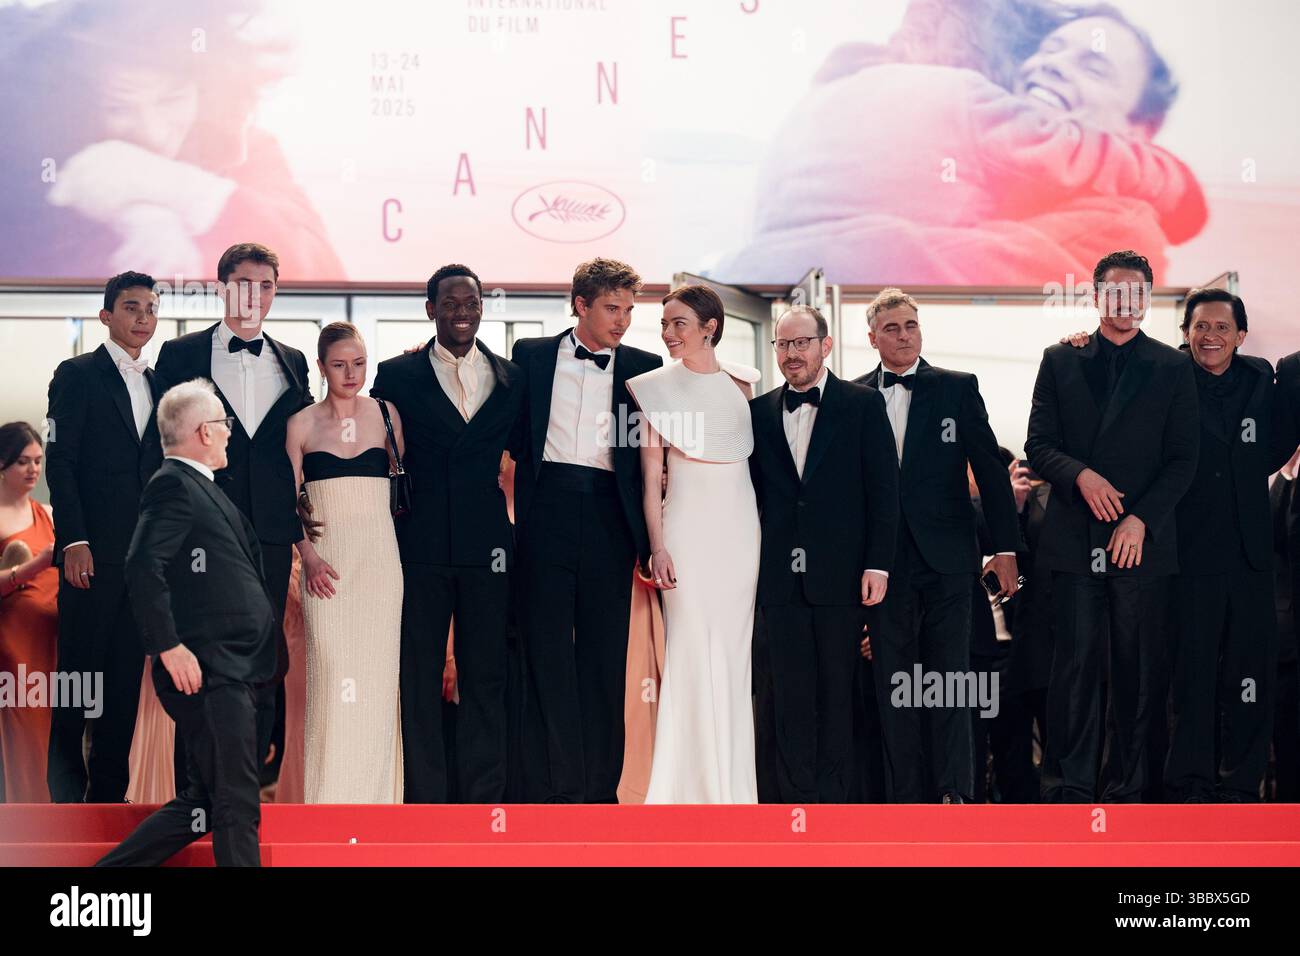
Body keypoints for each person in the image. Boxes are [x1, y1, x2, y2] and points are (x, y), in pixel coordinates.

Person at [717, 0, 1206, 287]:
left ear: (1141, 131)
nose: (1052, 64)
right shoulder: (969, 135)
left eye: (1093, 66)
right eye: (1049, 50)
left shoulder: (1119, 233)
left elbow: (918, 276)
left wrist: (758, 263)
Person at [1025, 249, 1199, 803]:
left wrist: (1140, 519)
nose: (1127, 303)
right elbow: (1039, 445)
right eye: (1116, 292)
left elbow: (1183, 458)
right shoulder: (1060, 358)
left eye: (1138, 292)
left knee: (1139, 671)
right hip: (1076, 537)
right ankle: (1067, 789)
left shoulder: (1174, 366)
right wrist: (1082, 477)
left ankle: (1129, 790)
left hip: (1142, 543)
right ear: (1097, 296)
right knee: (1073, 672)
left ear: (1148, 297)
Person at [97, 379, 276, 866]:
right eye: (224, 424)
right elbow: (141, 564)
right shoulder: (173, 484)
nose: (229, 434)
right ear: (202, 431)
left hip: (238, 670)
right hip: (211, 669)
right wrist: (169, 646)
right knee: (238, 805)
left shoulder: (202, 487)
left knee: (203, 803)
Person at [154, 242, 312, 785]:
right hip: (200, 529)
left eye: (267, 285)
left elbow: (299, 450)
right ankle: (193, 794)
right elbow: (163, 448)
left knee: (262, 659)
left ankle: (251, 790)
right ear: (222, 286)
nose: (257, 295)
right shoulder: (181, 355)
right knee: (200, 654)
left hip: (269, 534)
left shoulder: (293, 360)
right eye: (245, 283)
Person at [856, 289, 1020, 804]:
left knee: (951, 681)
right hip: (882, 566)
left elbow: (992, 473)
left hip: (949, 560)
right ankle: (904, 799)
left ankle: (955, 795)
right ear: (872, 337)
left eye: (910, 325)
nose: (903, 336)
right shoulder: (854, 396)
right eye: (891, 328)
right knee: (895, 683)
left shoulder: (957, 388)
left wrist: (1007, 548)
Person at [510, 258, 662, 803]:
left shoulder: (645, 366)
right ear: (581, 305)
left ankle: (600, 794)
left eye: (628, 309)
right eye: (611, 308)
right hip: (544, 510)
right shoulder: (529, 355)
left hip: (608, 518)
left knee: (603, 657)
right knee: (545, 651)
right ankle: (548, 789)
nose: (622, 320)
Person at [370, 263, 524, 803]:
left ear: (483, 309)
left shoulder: (512, 377)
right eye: (452, 303)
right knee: (419, 673)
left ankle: (484, 798)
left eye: (472, 304)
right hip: (419, 545)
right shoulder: (396, 375)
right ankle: (424, 797)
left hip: (489, 549)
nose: (463, 313)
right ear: (431, 308)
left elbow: (527, 459)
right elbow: (376, 455)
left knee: (487, 675)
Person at [749, 305, 900, 803]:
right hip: (778, 583)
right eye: (783, 344)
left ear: (825, 345)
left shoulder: (862, 404)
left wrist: (877, 564)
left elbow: (883, 491)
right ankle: (794, 807)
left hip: (841, 578)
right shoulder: (759, 412)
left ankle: (834, 808)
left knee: (838, 696)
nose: (792, 354)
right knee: (787, 697)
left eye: (802, 343)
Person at [623, 285, 762, 803]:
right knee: (688, 648)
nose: (668, 333)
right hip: (683, 529)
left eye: (679, 323)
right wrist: (656, 546)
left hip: (740, 533)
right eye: (664, 323)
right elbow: (649, 476)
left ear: (710, 327)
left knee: (732, 652)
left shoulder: (745, 385)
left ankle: (732, 788)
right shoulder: (652, 388)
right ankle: (682, 788)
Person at [1158, 290, 1297, 801]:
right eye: (1200, 327)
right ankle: (1188, 785)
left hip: (1251, 556)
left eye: (1221, 327)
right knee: (1190, 673)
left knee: (1249, 676)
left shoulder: (1264, 376)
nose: (1209, 336)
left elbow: (1277, 441)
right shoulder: (1164, 377)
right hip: (1187, 555)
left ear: (1240, 335)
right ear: (1186, 332)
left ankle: (1242, 783)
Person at [44, 271, 164, 803]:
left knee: (121, 691)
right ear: (106, 316)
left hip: (141, 563)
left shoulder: (163, 384)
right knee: (77, 684)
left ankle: (109, 808)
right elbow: (61, 462)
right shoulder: (77, 374)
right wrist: (73, 540)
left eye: (151, 308)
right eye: (132, 307)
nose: (143, 318)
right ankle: (63, 807)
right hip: (89, 557)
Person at [287, 323, 404, 804]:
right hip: (325, 570)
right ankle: (327, 802)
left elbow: (397, 492)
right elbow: (287, 500)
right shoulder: (301, 424)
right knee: (333, 676)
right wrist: (309, 556)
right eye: (339, 364)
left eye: (358, 363)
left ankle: (379, 804)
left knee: (378, 685)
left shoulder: (387, 415)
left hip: (380, 563)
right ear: (321, 367)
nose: (351, 373)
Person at [0, 423, 58, 803]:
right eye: (22, 462)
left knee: (50, 735)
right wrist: (32, 567)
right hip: (12, 644)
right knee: (21, 735)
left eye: (38, 461)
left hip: (51, 639)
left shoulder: (48, 513)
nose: (33, 470)